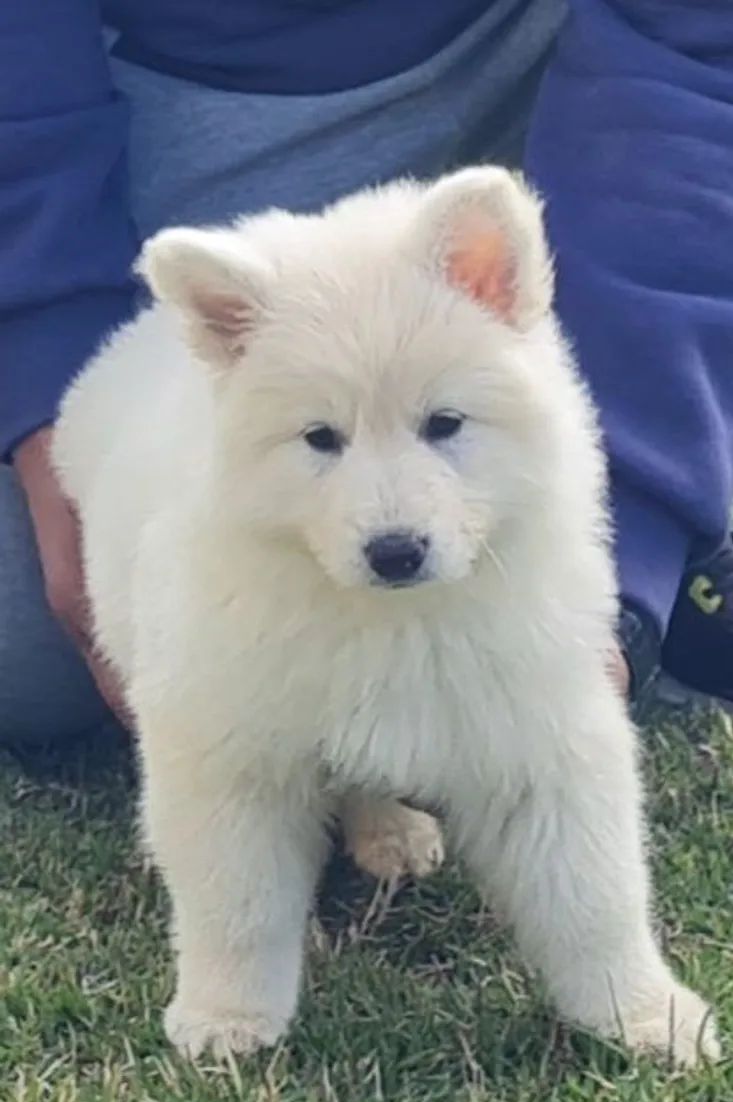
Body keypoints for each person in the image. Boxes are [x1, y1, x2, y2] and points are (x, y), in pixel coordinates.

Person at [1, 0, 732, 743]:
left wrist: (622, 538)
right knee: (30, 646)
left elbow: (696, 48)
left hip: (570, 30)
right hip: (205, 67)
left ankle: (701, 500)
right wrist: (48, 362)